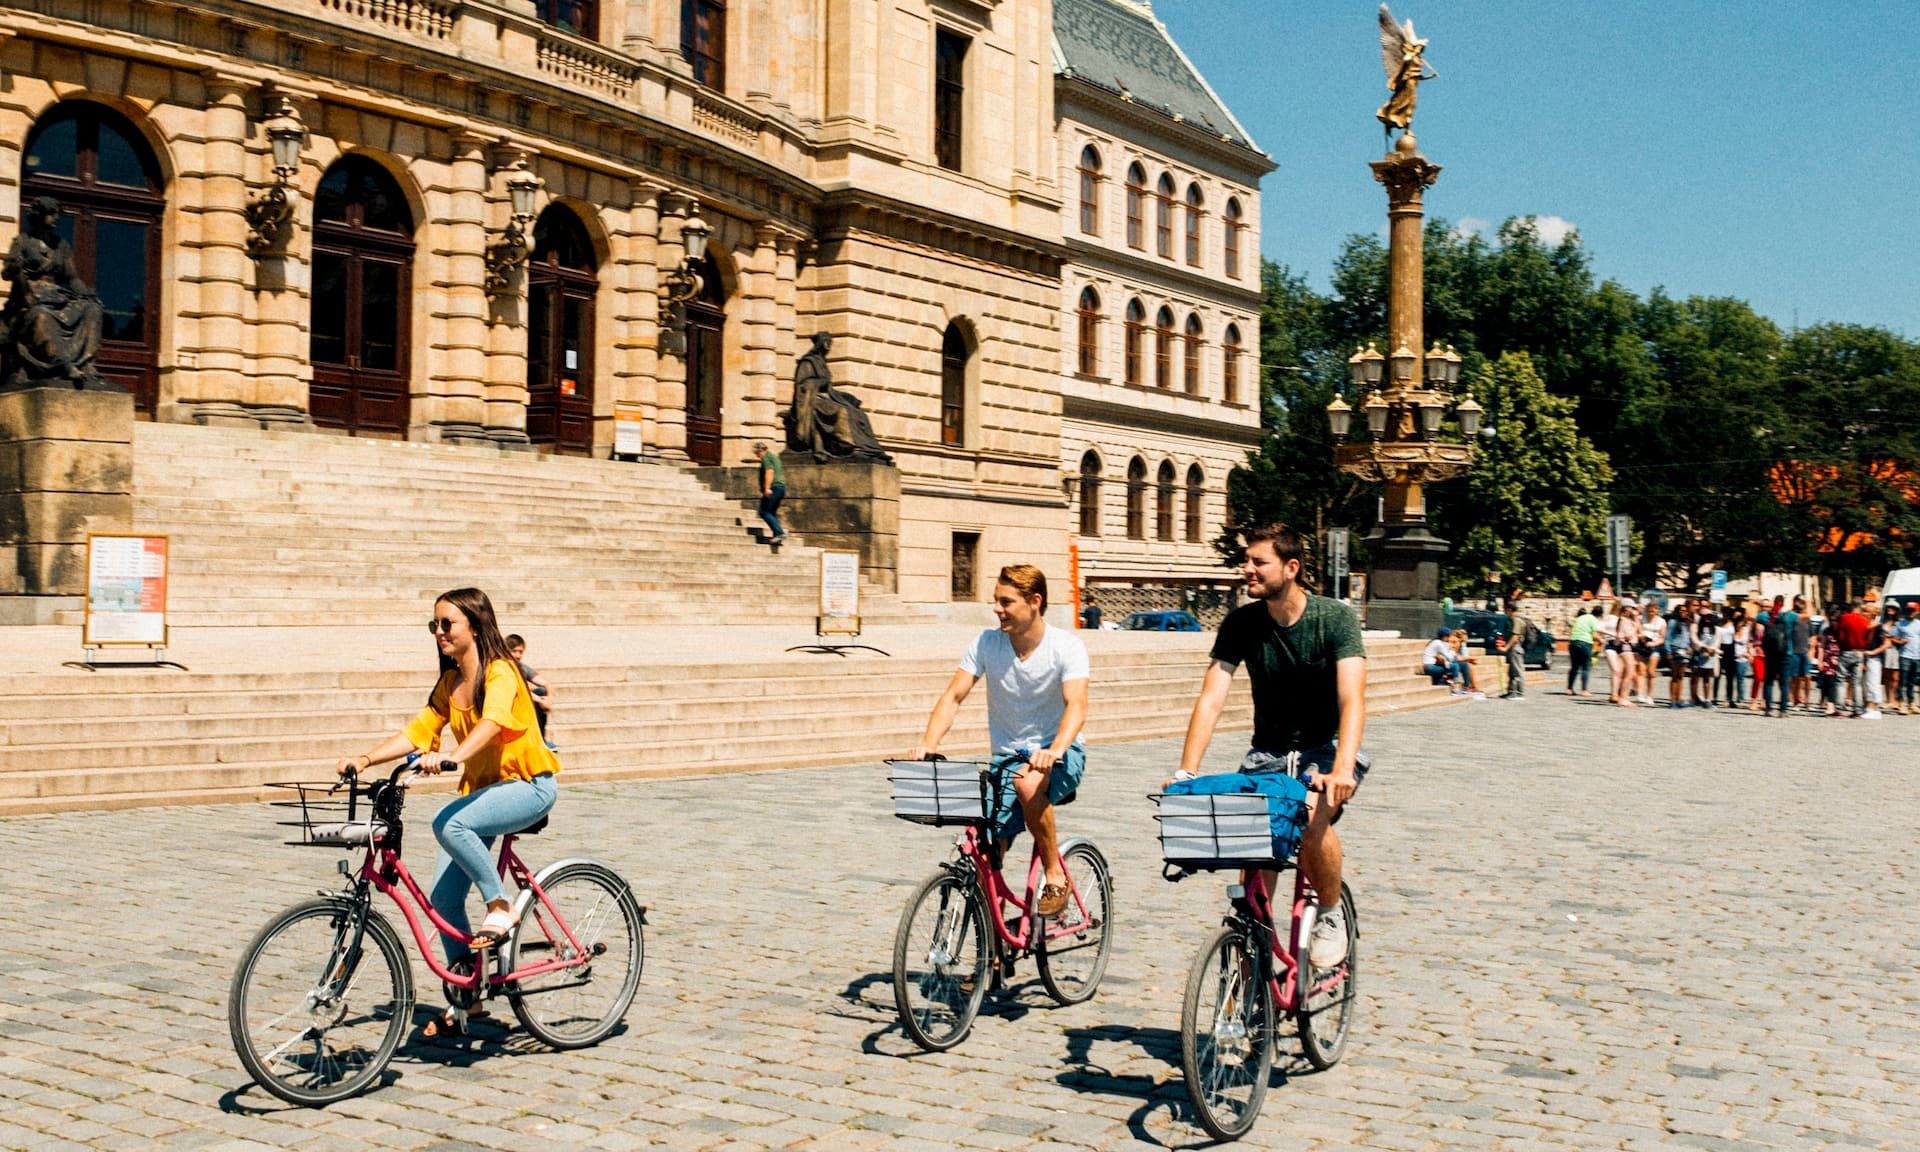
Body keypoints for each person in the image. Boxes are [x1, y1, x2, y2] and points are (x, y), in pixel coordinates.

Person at [338, 588, 562, 1038]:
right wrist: (364, 760)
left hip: (528, 786)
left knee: (448, 822)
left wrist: (456, 756)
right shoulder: (449, 684)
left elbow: (493, 722)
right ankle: (471, 997)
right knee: (442, 899)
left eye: (447, 624)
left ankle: (499, 905)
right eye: (434, 625)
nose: (439, 632)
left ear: (474, 627)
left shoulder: (501, 672)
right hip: (485, 794)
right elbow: (417, 733)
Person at [1173, 522, 1367, 969]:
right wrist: (1187, 770)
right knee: (1252, 847)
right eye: (1247, 560)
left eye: (1258, 562)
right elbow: (1212, 696)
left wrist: (1341, 769)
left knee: (1313, 817)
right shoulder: (1242, 623)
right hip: (1267, 753)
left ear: (1291, 567)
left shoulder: (1333, 619)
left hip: (1325, 748)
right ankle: (1248, 969)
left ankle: (1332, 913)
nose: (1248, 569)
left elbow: (1352, 698)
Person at [910, 564, 1088, 918]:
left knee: (1028, 782)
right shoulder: (988, 643)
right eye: (995, 601)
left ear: (1034, 602)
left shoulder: (1066, 646)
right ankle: (991, 959)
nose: (996, 609)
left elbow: (1077, 706)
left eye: (1006, 602)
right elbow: (953, 697)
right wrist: (927, 743)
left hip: (1060, 755)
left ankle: (1054, 874)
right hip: (1004, 760)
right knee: (983, 853)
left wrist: (1054, 750)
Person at [505, 633, 556, 745]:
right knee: (536, 697)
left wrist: (549, 699)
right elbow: (518, 690)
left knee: (542, 691)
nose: (518, 655)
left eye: (520, 652)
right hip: (510, 704)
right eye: (514, 651)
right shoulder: (503, 667)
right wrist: (539, 700)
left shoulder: (522, 667)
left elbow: (547, 684)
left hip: (524, 700)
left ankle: (541, 740)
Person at [1831, 600, 1873, 718]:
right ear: (1860, 607)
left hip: (1845, 651)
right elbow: (1867, 637)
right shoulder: (1865, 620)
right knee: (1857, 683)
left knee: (1840, 680)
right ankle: (1857, 710)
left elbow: (1838, 633)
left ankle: (1838, 709)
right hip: (1859, 652)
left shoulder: (1844, 618)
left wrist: (1841, 644)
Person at [1500, 595, 1535, 701]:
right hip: (1514, 648)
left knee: (1517, 670)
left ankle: (1519, 692)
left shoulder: (1517, 620)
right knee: (1511, 671)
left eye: (1505, 610)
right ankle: (1511, 691)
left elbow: (1515, 636)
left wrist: (1506, 648)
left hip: (1516, 648)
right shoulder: (1514, 620)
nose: (1505, 612)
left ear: (1509, 610)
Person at [753, 440, 786, 545]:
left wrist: (767, 488)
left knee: (764, 511)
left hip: (774, 487)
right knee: (771, 512)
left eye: (757, 453)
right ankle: (777, 536)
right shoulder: (774, 457)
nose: (757, 455)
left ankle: (779, 533)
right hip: (781, 487)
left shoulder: (766, 458)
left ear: (761, 450)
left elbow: (769, 472)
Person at [1789, 597, 1815, 710]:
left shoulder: (1807, 620)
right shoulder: (1792, 618)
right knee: (1796, 678)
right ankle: (1795, 700)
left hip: (1805, 651)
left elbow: (1813, 636)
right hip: (1794, 652)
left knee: (1808, 677)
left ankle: (1807, 701)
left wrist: (1812, 650)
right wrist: (1808, 601)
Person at [1565, 606, 1595, 696]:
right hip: (1585, 643)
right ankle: (1584, 690)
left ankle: (1569, 689)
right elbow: (1596, 633)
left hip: (1573, 643)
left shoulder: (1577, 620)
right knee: (1585, 668)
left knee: (1574, 667)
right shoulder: (1591, 619)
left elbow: (1571, 631)